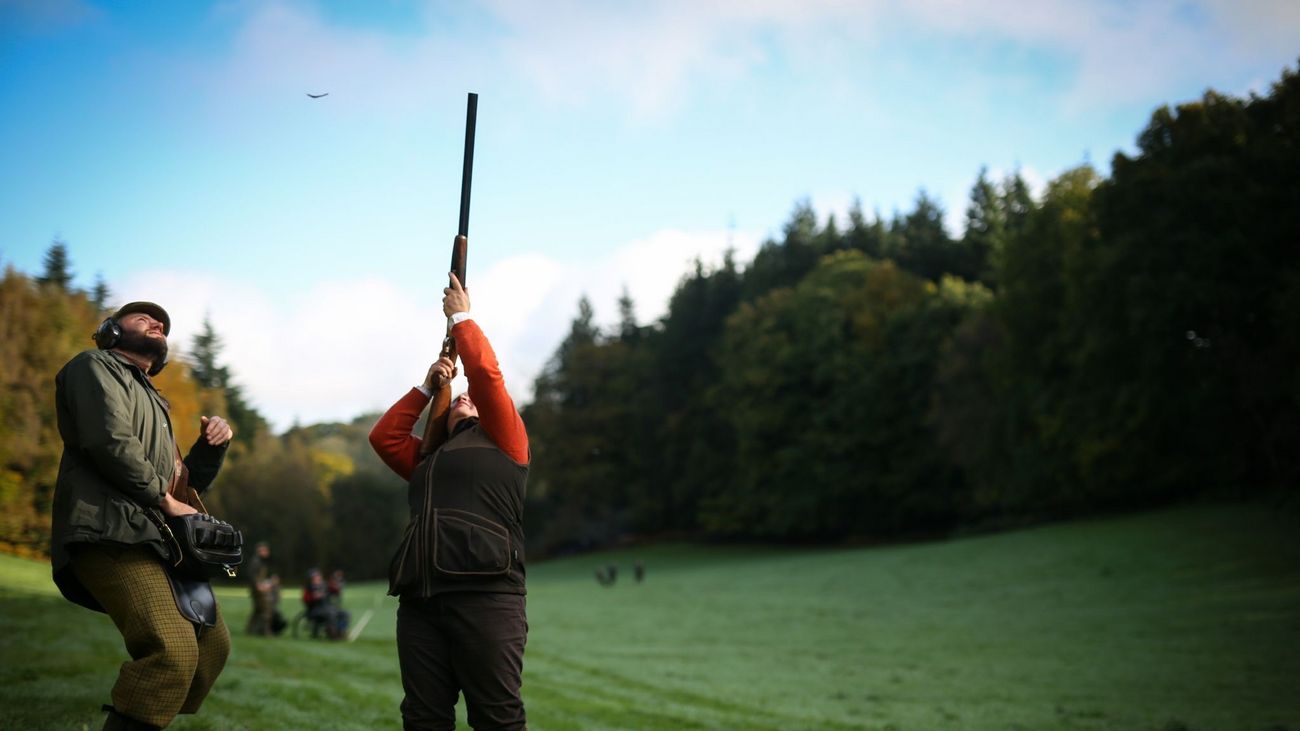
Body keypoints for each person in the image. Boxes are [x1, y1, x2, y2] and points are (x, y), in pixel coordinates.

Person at [49, 301, 235, 730]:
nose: (157, 323)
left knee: (211, 649)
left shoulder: (155, 401)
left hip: (159, 539)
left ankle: (144, 713)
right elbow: (107, 440)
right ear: (110, 331)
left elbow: (181, 489)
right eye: (143, 318)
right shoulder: (94, 365)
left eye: (163, 325)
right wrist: (162, 499)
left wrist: (212, 448)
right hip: (109, 531)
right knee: (172, 653)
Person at [370, 272, 530, 731]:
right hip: (420, 602)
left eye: (472, 401)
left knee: (497, 720)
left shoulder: (506, 441)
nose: (466, 399)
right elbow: (384, 437)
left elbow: (486, 377)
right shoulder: (429, 456)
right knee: (423, 719)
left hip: (487, 597)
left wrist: (461, 319)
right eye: (459, 398)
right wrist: (426, 388)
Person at [245, 542, 282, 636]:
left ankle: (249, 630)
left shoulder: (260, 561)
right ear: (259, 551)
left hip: (258, 589)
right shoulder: (256, 561)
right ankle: (266, 631)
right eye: (264, 550)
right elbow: (252, 575)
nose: (266, 552)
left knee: (257, 610)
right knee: (266, 610)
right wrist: (258, 586)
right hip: (259, 590)